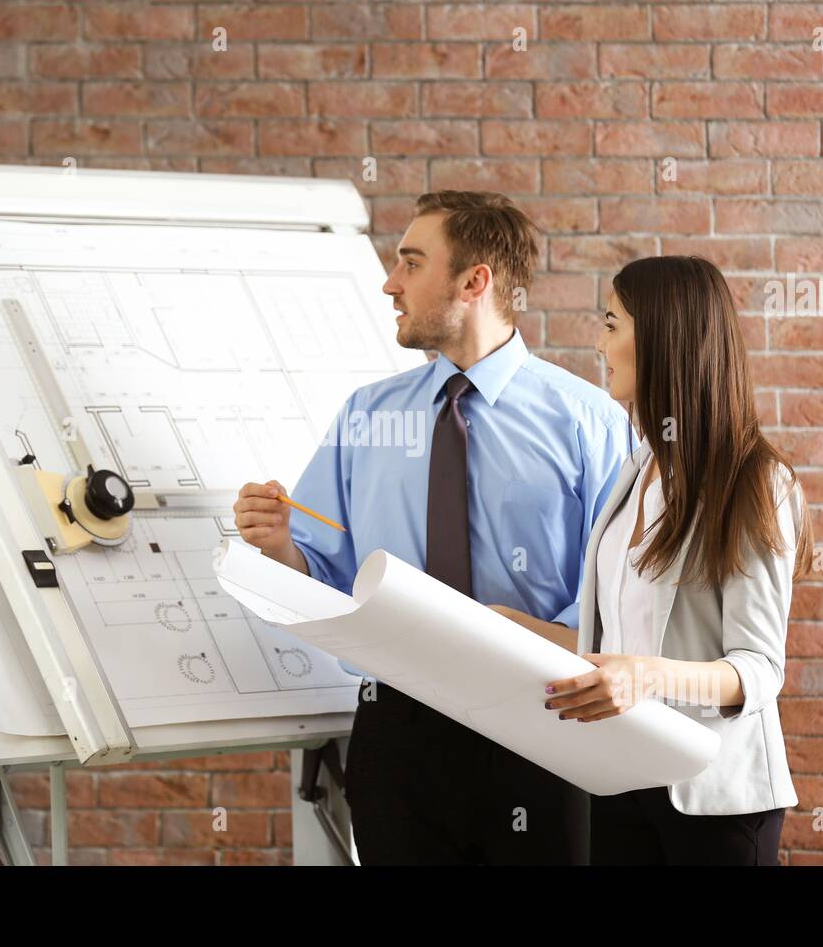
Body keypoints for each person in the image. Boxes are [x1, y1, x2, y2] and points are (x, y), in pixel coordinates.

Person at [233, 190, 633, 864]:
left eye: (411, 264)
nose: (390, 284)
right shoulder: (367, 416)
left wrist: (543, 647)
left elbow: (622, 588)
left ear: (475, 282)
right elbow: (322, 575)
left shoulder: (588, 422)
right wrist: (278, 546)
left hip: (541, 724)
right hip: (399, 738)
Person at [532, 255, 814, 864]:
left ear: (663, 339)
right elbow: (611, 639)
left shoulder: (755, 482)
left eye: (611, 324)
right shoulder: (636, 471)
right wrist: (508, 626)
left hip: (713, 800)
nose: (598, 342)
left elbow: (759, 670)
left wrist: (647, 676)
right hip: (621, 781)